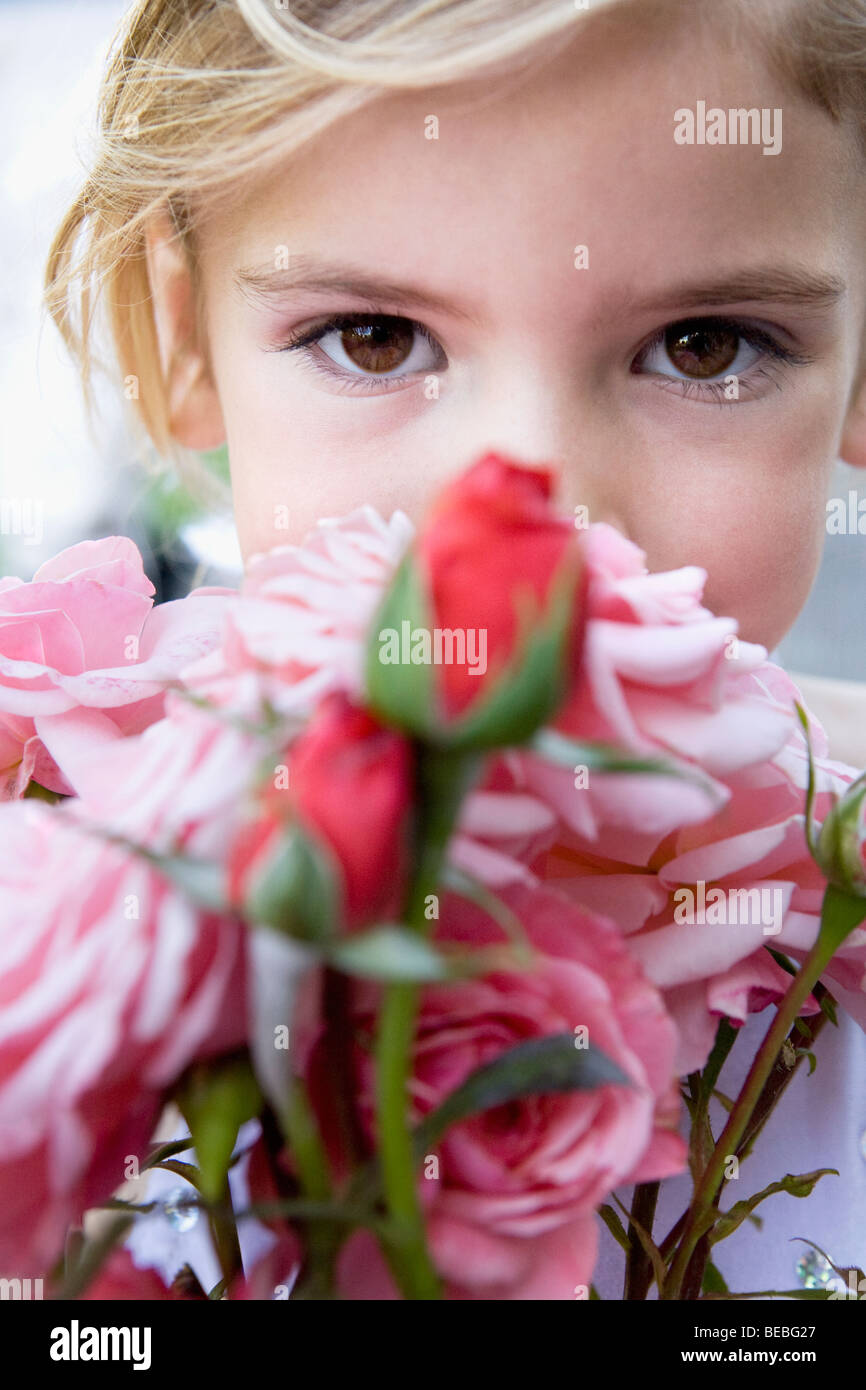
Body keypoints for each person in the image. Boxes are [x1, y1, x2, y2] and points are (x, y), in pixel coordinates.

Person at [44, 0, 866, 1298]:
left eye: (703, 346)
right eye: (375, 337)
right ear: (186, 339)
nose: (539, 510)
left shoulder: (839, 929)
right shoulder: (70, 965)